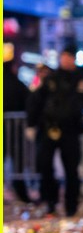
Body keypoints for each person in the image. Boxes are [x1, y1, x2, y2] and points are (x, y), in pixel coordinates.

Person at [24, 48, 83, 217]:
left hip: (71, 129)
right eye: (63, 57)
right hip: (48, 128)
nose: (65, 60)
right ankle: (50, 202)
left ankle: (71, 205)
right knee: (45, 165)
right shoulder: (51, 78)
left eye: (69, 57)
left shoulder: (81, 80)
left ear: (74, 59)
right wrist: (31, 124)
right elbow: (35, 101)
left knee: (71, 169)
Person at [4, 52, 33, 202]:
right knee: (18, 163)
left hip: (12, 130)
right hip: (16, 132)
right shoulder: (17, 84)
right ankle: (21, 192)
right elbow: (29, 101)